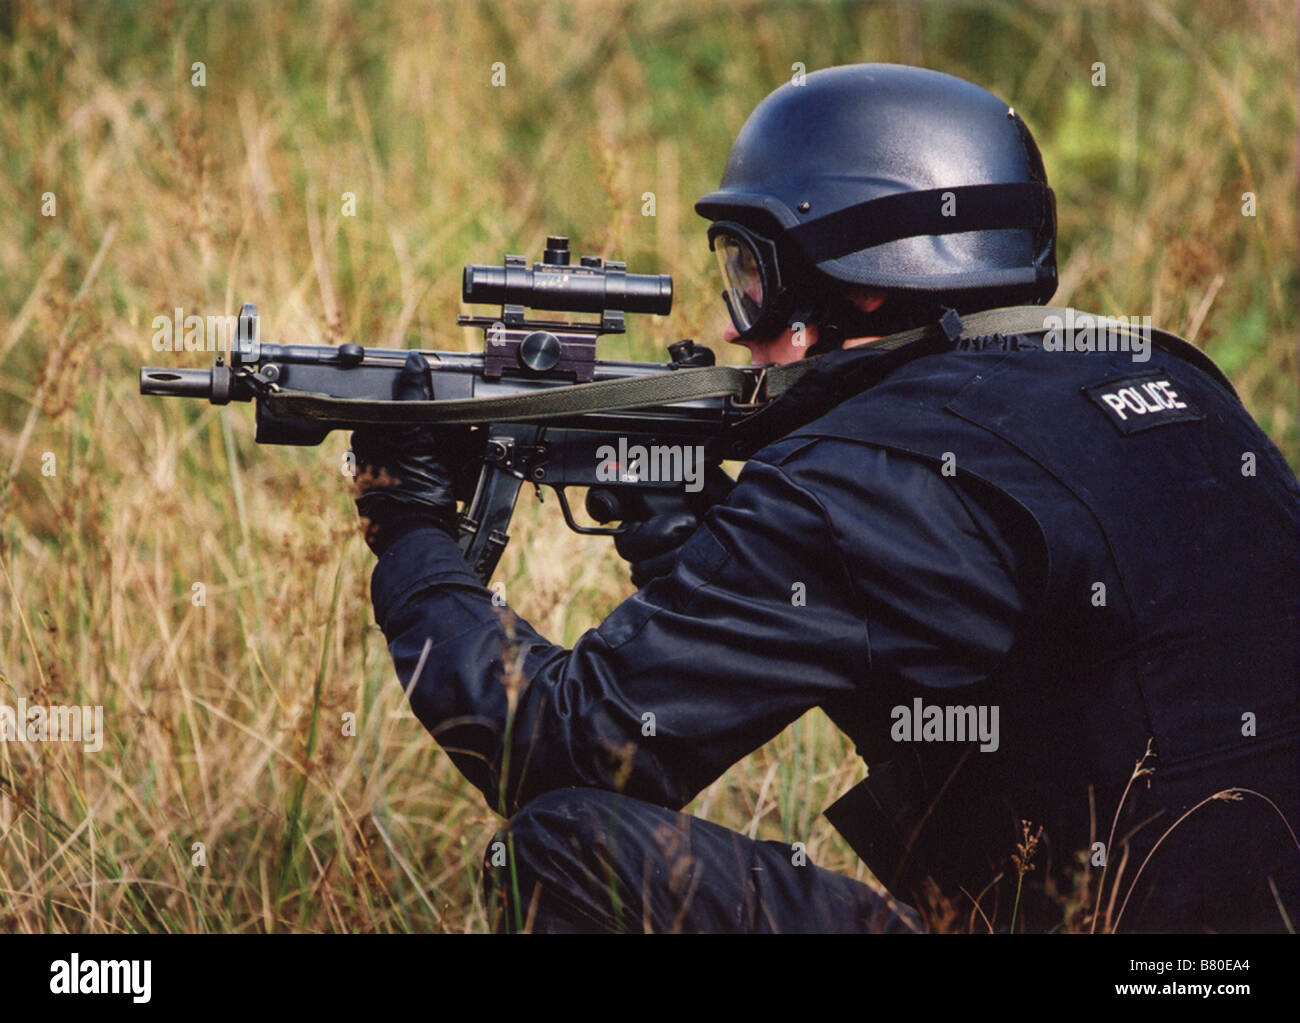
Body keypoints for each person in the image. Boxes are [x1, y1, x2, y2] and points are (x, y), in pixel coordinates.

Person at [350, 64, 1300, 933]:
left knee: (561, 847)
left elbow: (559, 744)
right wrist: (699, 540)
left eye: (754, 275)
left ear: (871, 289)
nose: (735, 324)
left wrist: (412, 534)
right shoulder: (1174, 381)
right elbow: (932, 645)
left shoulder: (866, 473)